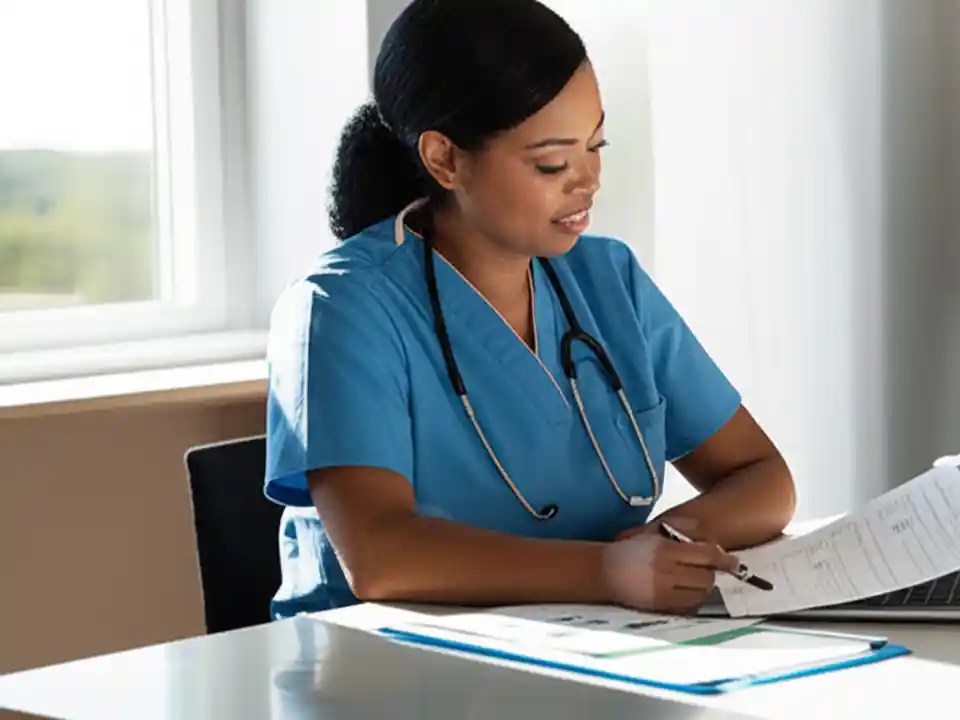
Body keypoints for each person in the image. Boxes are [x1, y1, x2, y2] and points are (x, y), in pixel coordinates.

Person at [264, 0, 796, 619]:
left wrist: (663, 542)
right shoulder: (341, 307)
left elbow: (764, 479)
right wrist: (603, 571)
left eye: (597, 145)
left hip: (589, 642)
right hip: (376, 670)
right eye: (552, 162)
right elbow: (382, 557)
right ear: (445, 159)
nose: (588, 180)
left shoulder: (607, 279)